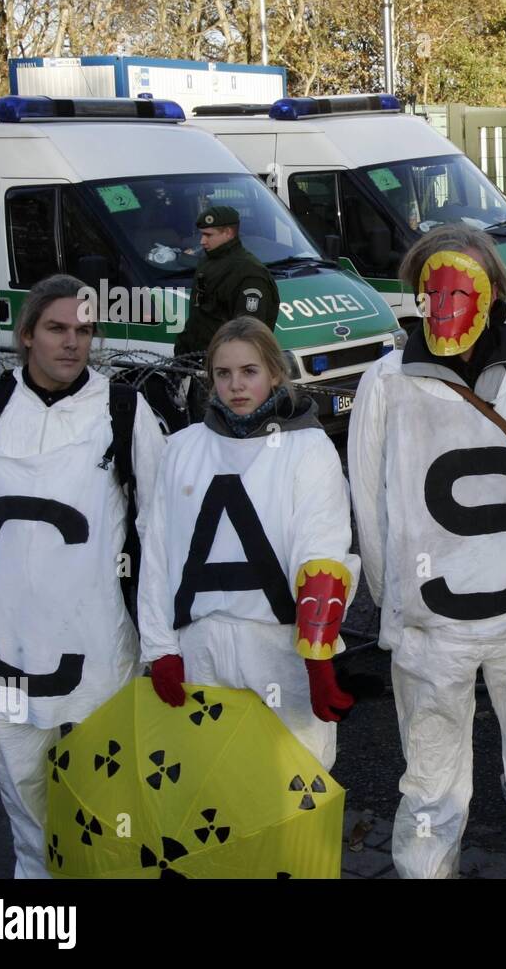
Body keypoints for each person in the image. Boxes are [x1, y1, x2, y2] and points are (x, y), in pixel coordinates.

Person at [348, 225, 506, 878]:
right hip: (433, 628)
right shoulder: (387, 382)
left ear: (495, 288)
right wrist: (402, 609)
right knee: (429, 785)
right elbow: (371, 503)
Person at [0, 274, 166, 878]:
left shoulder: (123, 411)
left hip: (99, 656)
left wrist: (164, 641)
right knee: (29, 820)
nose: (72, 343)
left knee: (106, 815)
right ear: (27, 334)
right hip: (4, 656)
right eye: (58, 328)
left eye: (84, 331)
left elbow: (168, 525)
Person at [140, 317, 358, 770]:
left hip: (279, 650)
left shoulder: (307, 449)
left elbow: (321, 550)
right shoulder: (181, 449)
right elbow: (158, 553)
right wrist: (160, 649)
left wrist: (318, 659)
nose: (236, 385)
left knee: (295, 785)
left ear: (275, 373)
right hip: (201, 646)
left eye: (250, 371)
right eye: (224, 373)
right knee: (212, 787)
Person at [173, 206, 280, 359]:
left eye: (208, 235)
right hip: (202, 361)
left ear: (228, 233)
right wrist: (182, 353)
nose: (202, 241)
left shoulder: (249, 273)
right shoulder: (209, 262)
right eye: (202, 235)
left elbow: (249, 333)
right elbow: (199, 317)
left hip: (226, 366)